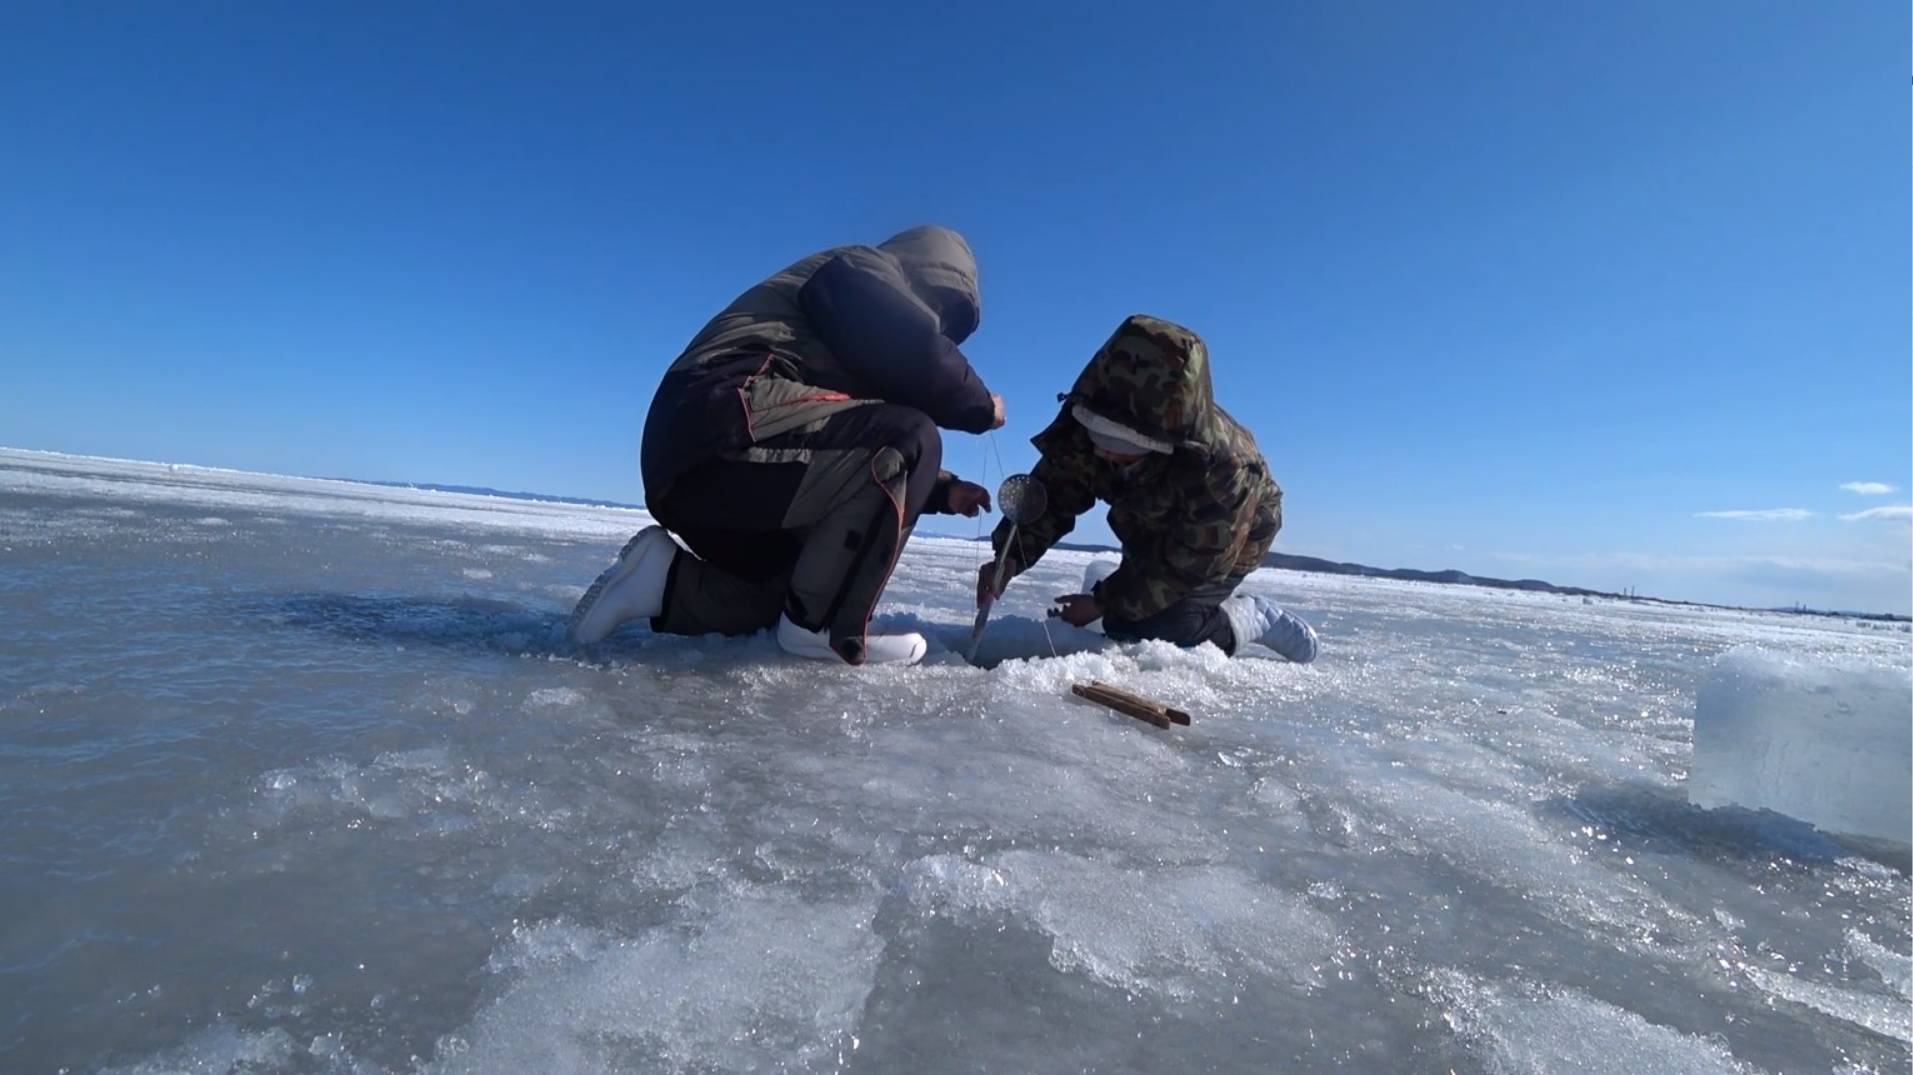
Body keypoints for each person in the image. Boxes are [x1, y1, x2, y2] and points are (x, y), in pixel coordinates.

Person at [568, 225, 1003, 666]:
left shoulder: (859, 342)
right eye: (940, 306)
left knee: (785, 587)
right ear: (926, 271)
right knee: (913, 435)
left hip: (699, 459)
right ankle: (825, 629)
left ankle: (661, 580)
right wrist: (982, 406)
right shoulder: (859, 270)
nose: (938, 321)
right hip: (723, 420)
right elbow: (916, 362)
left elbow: (846, 443)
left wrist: (944, 491)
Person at [978, 314, 1318, 662]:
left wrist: (1104, 601)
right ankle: (1118, 583)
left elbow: (1190, 561)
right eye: (1100, 437)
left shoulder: (1224, 469)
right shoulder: (1092, 422)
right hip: (1149, 519)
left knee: (1156, 626)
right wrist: (1010, 556)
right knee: (1128, 607)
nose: (1105, 452)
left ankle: (1249, 618)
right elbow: (1051, 495)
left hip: (1232, 538)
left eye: (1124, 448)